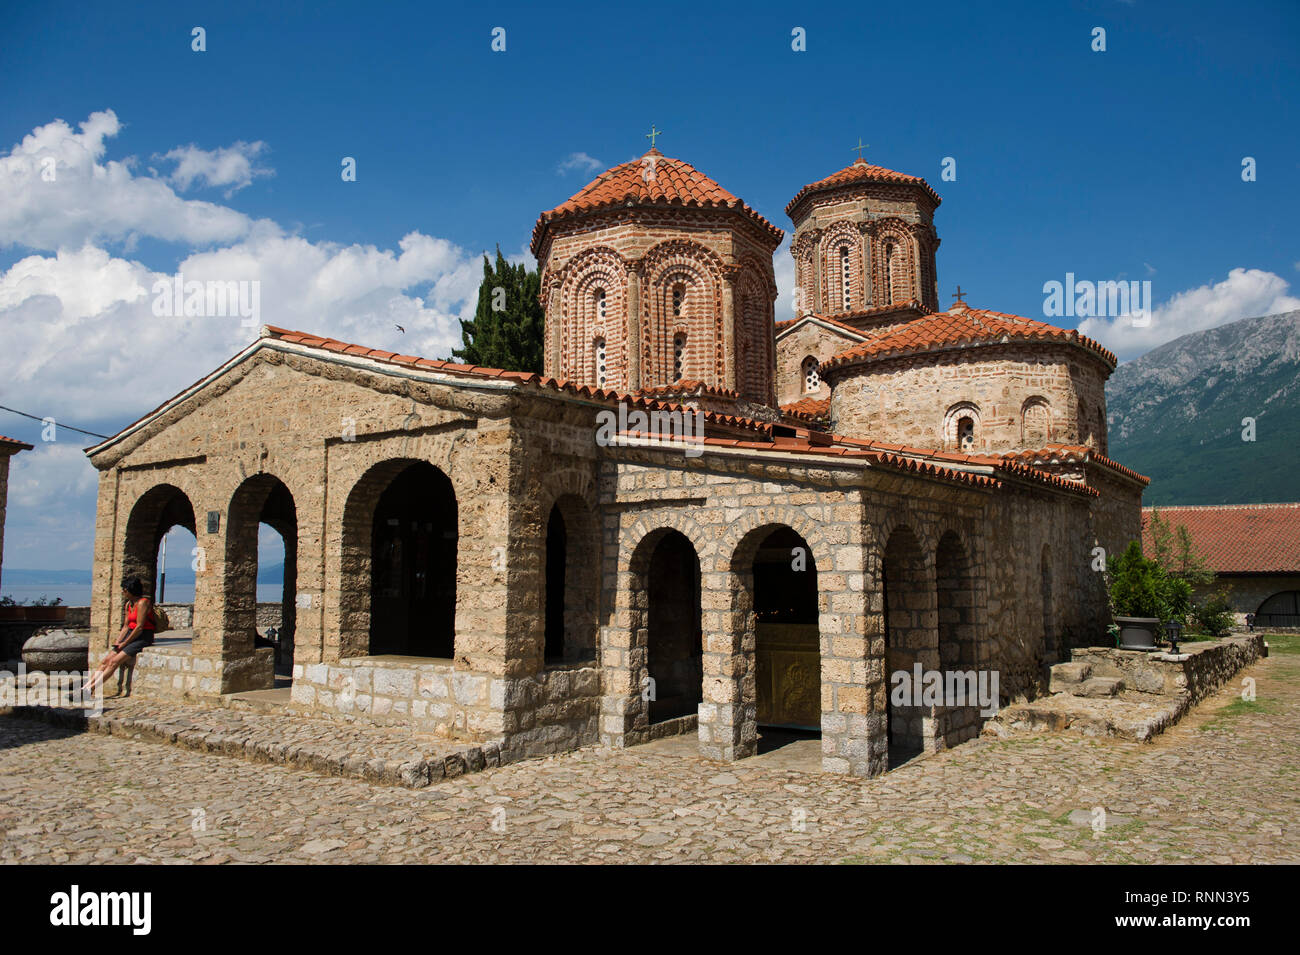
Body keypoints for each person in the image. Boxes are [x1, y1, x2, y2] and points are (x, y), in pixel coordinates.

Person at [80, 577, 155, 699]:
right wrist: (118, 642)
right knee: (105, 661)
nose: (122, 592)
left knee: (114, 662)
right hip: (129, 634)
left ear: (130, 590)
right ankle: (85, 687)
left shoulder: (143, 603)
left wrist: (125, 643)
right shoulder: (128, 604)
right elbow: (126, 626)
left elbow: (139, 627)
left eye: (124, 590)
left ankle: (91, 689)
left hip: (142, 636)